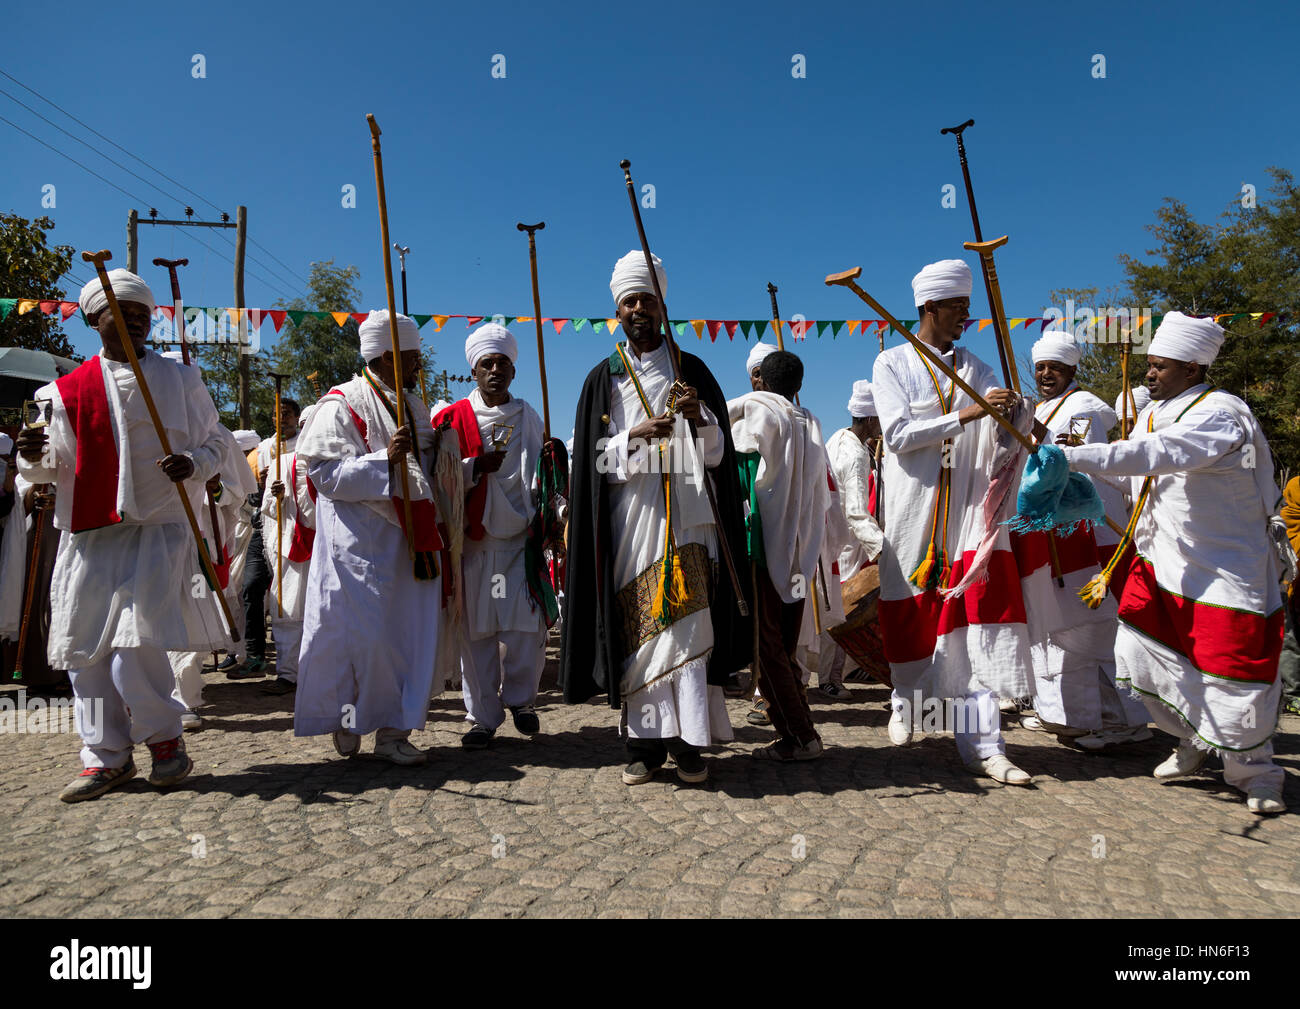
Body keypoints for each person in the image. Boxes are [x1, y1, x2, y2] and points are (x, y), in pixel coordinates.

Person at [1062, 312, 1288, 814]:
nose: (1148, 374)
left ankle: (1256, 772)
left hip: (1226, 569)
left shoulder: (1222, 412)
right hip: (1161, 560)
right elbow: (1139, 478)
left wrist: (1081, 458)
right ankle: (1193, 739)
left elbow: (1161, 454)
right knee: (1140, 655)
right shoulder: (1150, 415)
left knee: (1231, 671)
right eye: (1148, 365)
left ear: (1192, 367)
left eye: (1160, 367)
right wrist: (1074, 478)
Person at [16, 270, 228, 800]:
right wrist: (31, 455)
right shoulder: (61, 393)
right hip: (89, 535)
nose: (136, 320)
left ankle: (164, 740)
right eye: (123, 312)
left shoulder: (182, 381)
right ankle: (105, 758)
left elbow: (218, 443)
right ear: (94, 319)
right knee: (83, 650)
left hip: (158, 530)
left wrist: (195, 463)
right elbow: (46, 469)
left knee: (135, 646)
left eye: (142, 313)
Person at [560, 250, 750, 786]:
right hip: (630, 521)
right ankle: (644, 745)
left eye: (646, 298)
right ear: (617, 312)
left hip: (688, 520)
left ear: (663, 305)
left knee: (688, 630)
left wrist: (701, 418)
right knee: (640, 632)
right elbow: (591, 464)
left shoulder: (694, 371)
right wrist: (631, 439)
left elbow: (718, 455)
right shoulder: (603, 379)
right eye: (628, 301)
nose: (638, 307)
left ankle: (689, 742)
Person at [871, 259, 1035, 785]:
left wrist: (1016, 412)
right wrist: (968, 415)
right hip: (912, 511)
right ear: (929, 308)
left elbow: (1002, 432)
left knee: (971, 626)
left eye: (968, 305)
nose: (967, 315)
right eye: (958, 306)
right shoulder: (891, 362)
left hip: (965, 512)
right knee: (910, 612)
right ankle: (906, 702)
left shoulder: (976, 367)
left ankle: (985, 747)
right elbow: (897, 434)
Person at [292, 311, 454, 765]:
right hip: (359, 548)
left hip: (413, 542)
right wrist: (385, 459)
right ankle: (348, 719)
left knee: (410, 636)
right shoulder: (340, 404)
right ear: (386, 357)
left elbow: (426, 469)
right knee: (363, 639)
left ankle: (394, 733)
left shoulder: (415, 403)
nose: (421, 365)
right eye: (413, 357)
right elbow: (324, 477)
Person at [1015, 329, 1150, 749]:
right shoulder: (1042, 405)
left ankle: (1120, 718)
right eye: (1040, 367)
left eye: (1054, 367)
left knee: (1091, 629)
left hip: (1090, 532)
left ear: (1072, 369)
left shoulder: (1084, 405)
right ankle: (1067, 714)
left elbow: (1076, 453)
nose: (1045, 374)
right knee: (1058, 627)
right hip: (1052, 529)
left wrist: (1037, 433)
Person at [435, 323, 549, 749]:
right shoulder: (449, 418)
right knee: (477, 633)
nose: (495, 369)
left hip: (519, 541)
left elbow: (543, 472)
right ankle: (482, 718)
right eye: (488, 363)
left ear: (513, 371)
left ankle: (522, 701)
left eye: (503, 363)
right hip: (474, 544)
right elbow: (436, 478)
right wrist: (472, 468)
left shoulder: (528, 415)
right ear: (475, 371)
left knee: (524, 628)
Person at [729, 350, 828, 759]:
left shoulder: (757, 408)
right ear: (798, 386)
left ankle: (801, 736)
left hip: (764, 548)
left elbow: (721, 433)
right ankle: (798, 729)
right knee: (781, 646)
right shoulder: (811, 421)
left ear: (759, 381)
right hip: (802, 553)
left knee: (765, 647)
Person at [824, 379, 886, 688]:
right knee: (844, 610)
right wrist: (881, 550)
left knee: (831, 605)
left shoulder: (837, 438)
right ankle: (832, 679)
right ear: (872, 418)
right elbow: (857, 512)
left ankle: (838, 674)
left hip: (833, 538)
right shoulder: (857, 456)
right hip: (848, 543)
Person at [260, 402, 317, 697]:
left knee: (324, 613)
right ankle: (287, 673)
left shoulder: (331, 459)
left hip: (326, 549)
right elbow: (268, 509)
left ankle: (321, 671)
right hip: (290, 546)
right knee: (287, 612)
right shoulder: (282, 463)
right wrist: (277, 498)